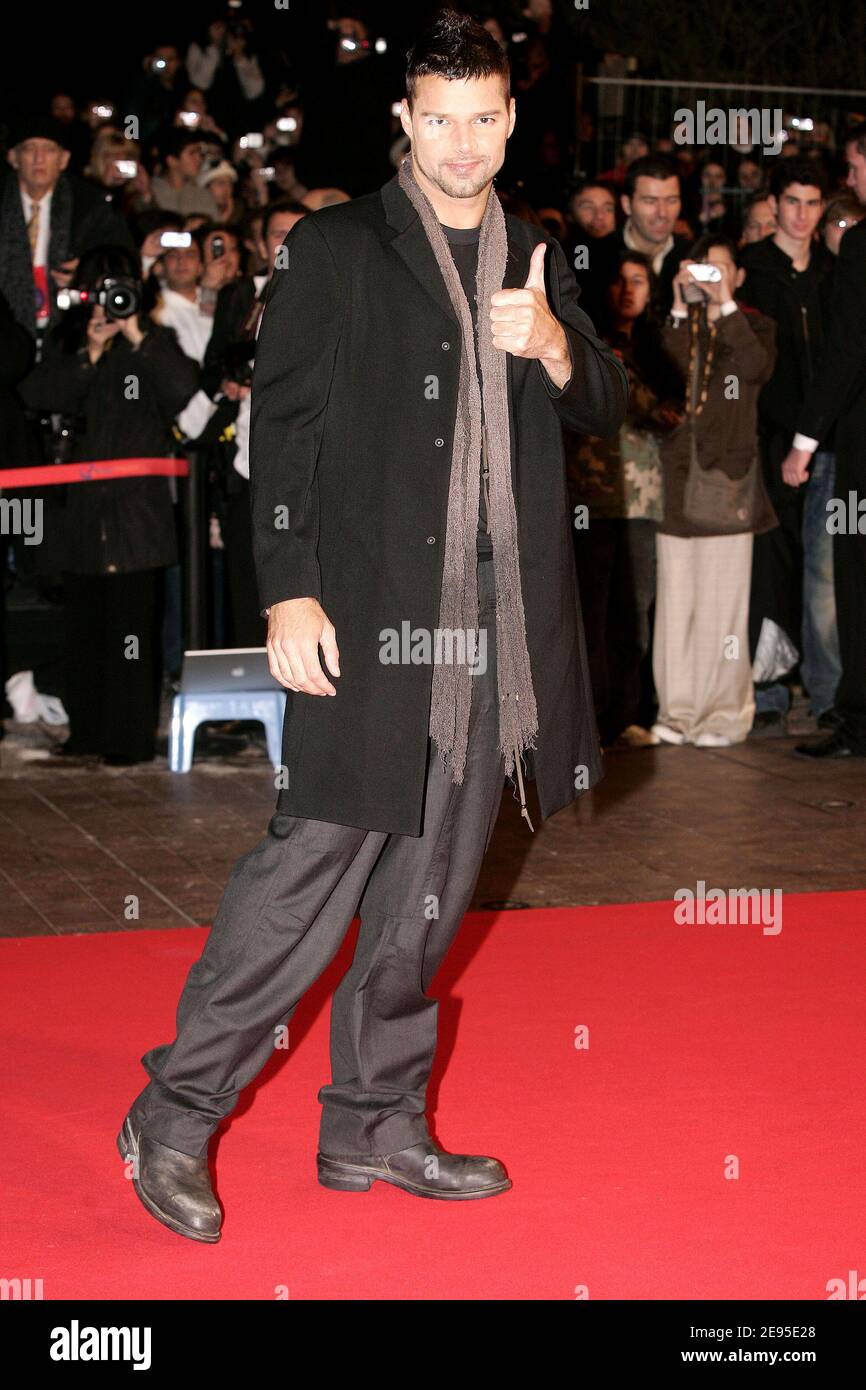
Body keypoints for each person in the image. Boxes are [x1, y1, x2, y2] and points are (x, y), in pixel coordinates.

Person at [117, 10, 627, 1242]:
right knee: (307, 877)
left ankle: (374, 1123)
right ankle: (175, 1114)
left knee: (432, 892)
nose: (460, 143)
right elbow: (275, 433)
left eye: (482, 118)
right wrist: (286, 587)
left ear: (508, 121)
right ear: (405, 120)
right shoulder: (337, 250)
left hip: (495, 632)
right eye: (437, 119)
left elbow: (607, 404)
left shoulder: (534, 252)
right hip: (370, 621)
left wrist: (552, 341)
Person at [19, 245, 199, 765]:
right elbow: (38, 394)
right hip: (79, 518)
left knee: (131, 638)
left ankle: (127, 741)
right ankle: (87, 733)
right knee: (84, 633)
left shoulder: (154, 343)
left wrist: (137, 335)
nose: (111, 303)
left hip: (135, 521)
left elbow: (182, 387)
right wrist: (90, 355)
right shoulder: (74, 342)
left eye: (119, 293)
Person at [652, 236, 777, 747]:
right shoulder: (682, 325)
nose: (712, 277)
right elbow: (665, 375)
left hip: (727, 483)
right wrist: (682, 307)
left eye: (722, 270)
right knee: (676, 605)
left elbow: (753, 367)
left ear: (739, 277)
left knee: (723, 608)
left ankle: (724, 713)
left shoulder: (754, 324)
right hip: (677, 483)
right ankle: (678, 712)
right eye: (705, 269)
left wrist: (723, 303)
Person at [568, 251, 683, 748]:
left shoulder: (656, 347)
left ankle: (627, 714)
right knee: (590, 614)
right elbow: (637, 405)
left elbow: (673, 412)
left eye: (638, 281)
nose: (628, 290)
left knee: (635, 612)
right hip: (590, 497)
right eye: (619, 280)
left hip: (643, 500)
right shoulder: (589, 341)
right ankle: (588, 716)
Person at [739, 159, 833, 732]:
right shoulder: (751, 269)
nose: (802, 214)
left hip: (824, 437)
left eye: (813, 203)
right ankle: (769, 686)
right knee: (769, 562)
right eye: (792, 201)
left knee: (821, 566)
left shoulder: (833, 269)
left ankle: (823, 688)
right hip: (765, 436)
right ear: (774, 204)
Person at [782, 122, 866, 758]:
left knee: (852, 575)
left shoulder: (861, 247)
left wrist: (804, 443)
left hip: (855, 444)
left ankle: (856, 718)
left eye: (858, 169)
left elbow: (844, 352)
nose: (852, 182)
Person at [617, 155, 693, 314]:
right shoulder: (598, 256)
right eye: (650, 201)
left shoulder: (692, 256)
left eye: (671, 200)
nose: (663, 213)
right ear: (627, 205)